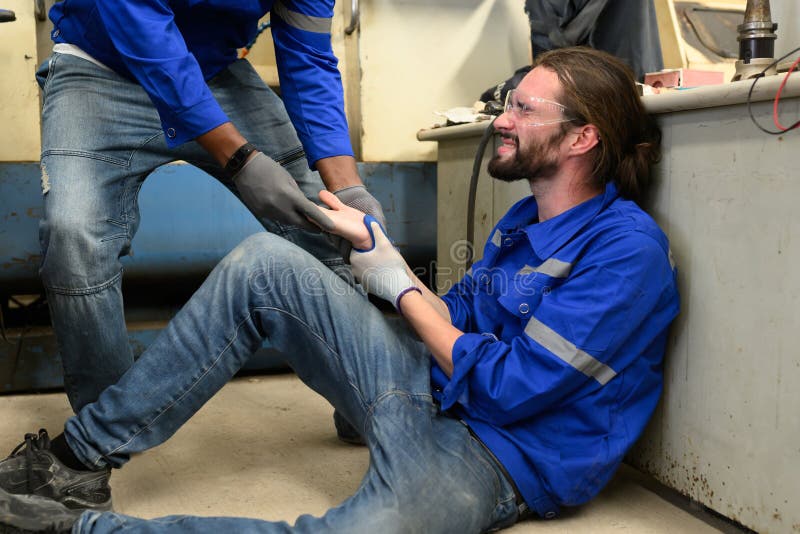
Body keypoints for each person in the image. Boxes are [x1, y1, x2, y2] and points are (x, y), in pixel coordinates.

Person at [1, 47, 679, 532]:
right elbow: (459, 315)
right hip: (433, 389)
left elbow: (509, 387)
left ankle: (72, 531)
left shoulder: (626, 253)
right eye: (506, 104)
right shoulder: (528, 217)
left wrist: (401, 291)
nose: (500, 119)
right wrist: (379, 258)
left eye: (522, 109)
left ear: (582, 136)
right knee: (267, 262)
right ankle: (76, 456)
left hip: (499, 459)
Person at [36, 0, 385, 416]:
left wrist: (347, 188)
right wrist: (239, 158)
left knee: (328, 226)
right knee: (74, 237)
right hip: (98, 66)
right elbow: (142, 29)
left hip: (212, 71)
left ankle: (375, 404)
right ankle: (99, 435)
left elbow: (308, 55)